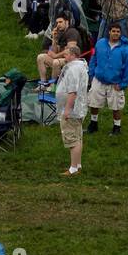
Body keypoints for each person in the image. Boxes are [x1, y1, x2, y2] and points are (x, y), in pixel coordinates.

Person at [87, 23, 128, 136]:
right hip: (98, 79)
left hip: (115, 83)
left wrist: (123, 84)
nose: (116, 33)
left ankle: (116, 127)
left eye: (118, 31)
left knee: (116, 106)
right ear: (109, 32)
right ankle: (93, 124)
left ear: (120, 33)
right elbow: (93, 59)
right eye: (113, 31)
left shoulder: (125, 49)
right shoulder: (100, 43)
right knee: (93, 103)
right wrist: (92, 74)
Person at [55, 43, 89, 176]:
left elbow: (73, 91)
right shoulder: (80, 67)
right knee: (78, 137)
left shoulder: (74, 69)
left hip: (72, 110)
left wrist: (67, 110)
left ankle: (73, 168)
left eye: (66, 53)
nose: (64, 55)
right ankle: (78, 165)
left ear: (73, 55)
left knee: (72, 139)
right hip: (78, 109)